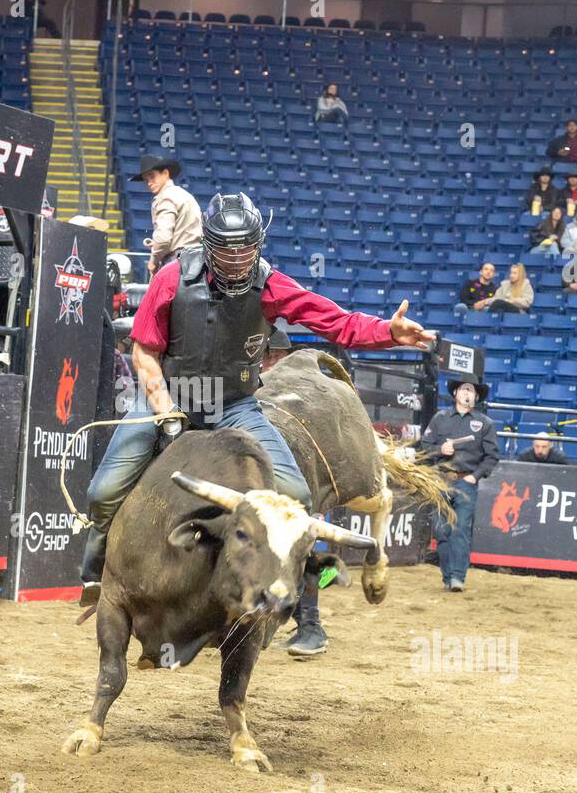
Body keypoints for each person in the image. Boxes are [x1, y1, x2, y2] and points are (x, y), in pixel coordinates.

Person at [78, 192, 435, 655]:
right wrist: (165, 410)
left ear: (258, 245)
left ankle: (294, 587)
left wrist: (387, 332)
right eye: (226, 248)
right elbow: (144, 350)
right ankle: (95, 573)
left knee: (299, 497)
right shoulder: (171, 280)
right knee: (103, 491)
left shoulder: (271, 286)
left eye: (245, 247)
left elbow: (337, 323)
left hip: (236, 404)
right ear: (208, 246)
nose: (236, 257)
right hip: (171, 396)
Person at [419, 380, 500, 593]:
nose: (467, 394)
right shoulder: (440, 419)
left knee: (461, 529)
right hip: (440, 480)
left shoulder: (485, 423)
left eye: (471, 391)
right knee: (442, 530)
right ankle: (447, 576)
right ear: (455, 393)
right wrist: (439, 450)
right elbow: (424, 448)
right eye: (464, 389)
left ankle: (457, 577)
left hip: (466, 482)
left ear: (477, 397)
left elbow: (492, 456)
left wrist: (475, 476)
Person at [130, 153, 202, 276]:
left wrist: (153, 260)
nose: (149, 183)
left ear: (165, 173)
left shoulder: (165, 198)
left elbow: (163, 239)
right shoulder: (185, 195)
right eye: (146, 180)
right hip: (195, 260)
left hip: (177, 263)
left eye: (152, 176)